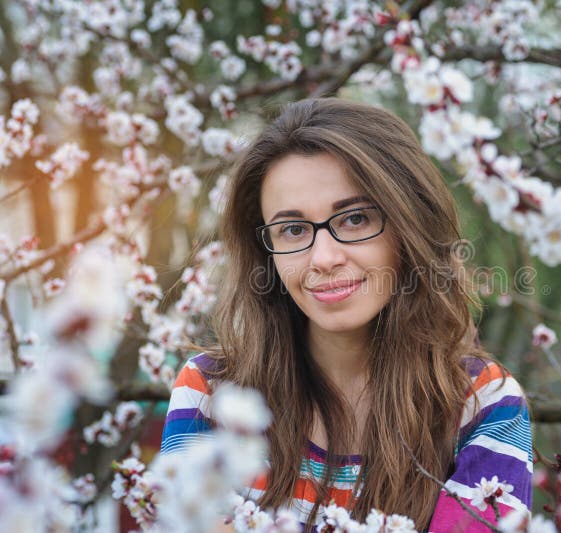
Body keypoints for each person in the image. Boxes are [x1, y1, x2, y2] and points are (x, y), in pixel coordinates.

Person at [160, 98, 534, 532]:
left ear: (409, 225)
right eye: (294, 230)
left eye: (354, 219)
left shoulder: (482, 404)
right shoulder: (210, 395)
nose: (323, 258)